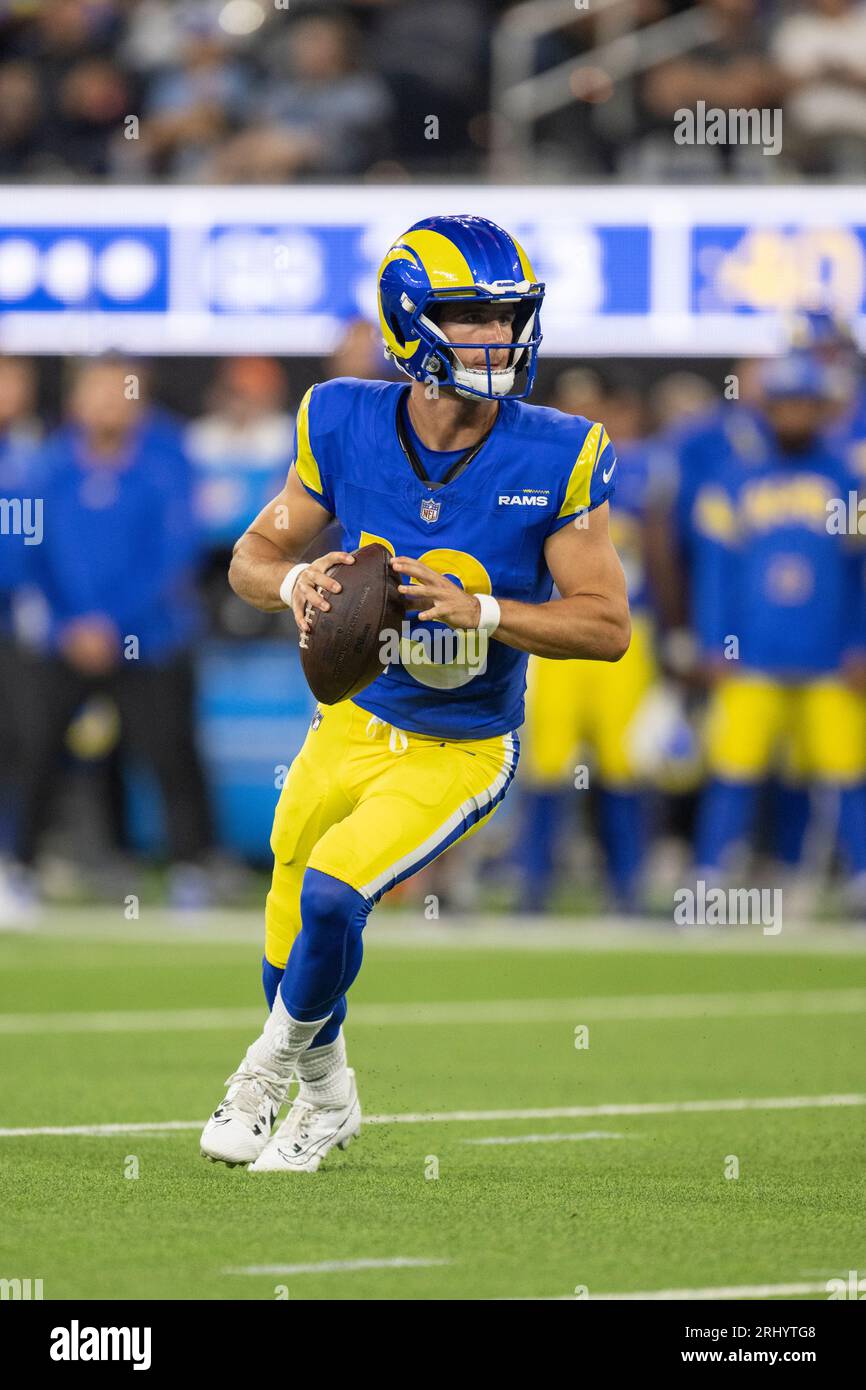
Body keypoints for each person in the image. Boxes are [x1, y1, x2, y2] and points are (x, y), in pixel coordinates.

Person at [200, 213, 630, 1173]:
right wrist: (294, 584)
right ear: (411, 324)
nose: (500, 338)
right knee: (286, 907)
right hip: (352, 720)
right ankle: (331, 1099)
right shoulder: (342, 418)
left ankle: (262, 1073)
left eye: (509, 317)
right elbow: (252, 555)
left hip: (461, 744)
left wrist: (483, 611)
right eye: (472, 317)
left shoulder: (556, 450)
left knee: (333, 894)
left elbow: (607, 625)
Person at [10, 357, 214, 911]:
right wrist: (67, 622)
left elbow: (172, 556)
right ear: (76, 399)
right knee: (36, 751)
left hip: (152, 638)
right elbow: (28, 554)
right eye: (95, 392)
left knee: (170, 752)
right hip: (66, 640)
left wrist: (113, 623)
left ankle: (191, 869)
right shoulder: (46, 467)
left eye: (119, 392)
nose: (107, 403)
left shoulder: (168, 460)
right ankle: (19, 869)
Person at [692, 353, 866, 896]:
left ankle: (860, 879)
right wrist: (715, 644)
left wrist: (860, 643)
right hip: (752, 658)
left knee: (846, 777)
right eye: (784, 405)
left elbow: (862, 573)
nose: (793, 416)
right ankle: (711, 879)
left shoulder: (848, 482)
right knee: (733, 773)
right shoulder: (732, 481)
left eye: (804, 406)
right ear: (767, 409)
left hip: (830, 659)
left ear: (821, 410)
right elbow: (714, 574)